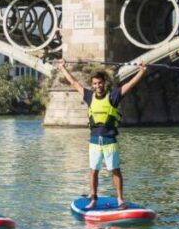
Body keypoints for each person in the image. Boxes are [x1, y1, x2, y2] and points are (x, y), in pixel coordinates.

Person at [56, 59, 147, 210]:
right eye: (95, 84)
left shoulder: (114, 96)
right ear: (92, 85)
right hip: (94, 142)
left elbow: (129, 85)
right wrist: (62, 67)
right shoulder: (89, 96)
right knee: (93, 171)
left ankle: (120, 200)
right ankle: (93, 199)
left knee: (115, 170)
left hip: (110, 140)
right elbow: (73, 82)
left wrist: (141, 71)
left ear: (104, 83)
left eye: (100, 83)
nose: (98, 86)